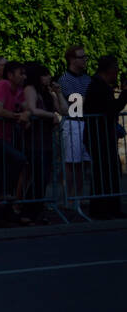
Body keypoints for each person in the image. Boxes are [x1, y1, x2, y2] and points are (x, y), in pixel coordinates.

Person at [0, 61, 33, 226]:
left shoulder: (19, 90)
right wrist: (17, 116)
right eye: (20, 73)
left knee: (2, 172)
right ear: (10, 75)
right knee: (18, 159)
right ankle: (6, 198)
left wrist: (26, 114)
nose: (24, 76)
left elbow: (27, 107)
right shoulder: (2, 85)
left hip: (6, 137)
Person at [20, 62, 64, 222]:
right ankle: (28, 211)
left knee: (44, 178)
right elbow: (32, 109)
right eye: (45, 74)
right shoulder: (30, 89)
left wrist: (58, 93)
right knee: (38, 177)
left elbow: (64, 110)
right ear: (38, 76)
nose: (49, 77)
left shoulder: (48, 93)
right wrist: (50, 116)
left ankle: (36, 210)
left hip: (46, 139)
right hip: (34, 139)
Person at [83, 55, 126, 219]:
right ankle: (101, 209)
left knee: (110, 171)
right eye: (115, 68)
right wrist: (124, 95)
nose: (117, 72)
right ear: (109, 70)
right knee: (104, 172)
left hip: (103, 135)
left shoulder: (100, 85)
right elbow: (111, 109)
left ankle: (111, 207)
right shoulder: (98, 86)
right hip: (98, 136)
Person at [58, 45, 92, 204]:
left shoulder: (87, 78)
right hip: (73, 123)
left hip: (86, 122)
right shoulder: (65, 79)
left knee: (82, 163)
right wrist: (90, 99)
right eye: (81, 57)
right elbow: (75, 102)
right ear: (72, 59)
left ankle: (78, 196)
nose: (85, 59)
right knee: (71, 163)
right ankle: (68, 197)